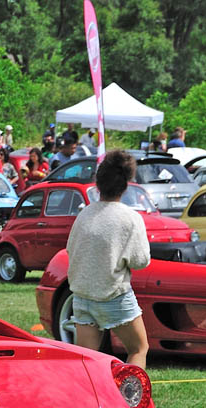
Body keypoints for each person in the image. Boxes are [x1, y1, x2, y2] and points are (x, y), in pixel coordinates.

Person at [66, 150, 150, 368]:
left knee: (86, 362)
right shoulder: (131, 218)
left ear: (98, 183)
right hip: (114, 296)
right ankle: (132, 401)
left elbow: (70, 249)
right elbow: (141, 261)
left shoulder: (84, 214)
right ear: (126, 184)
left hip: (83, 296)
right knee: (139, 349)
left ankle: (84, 401)